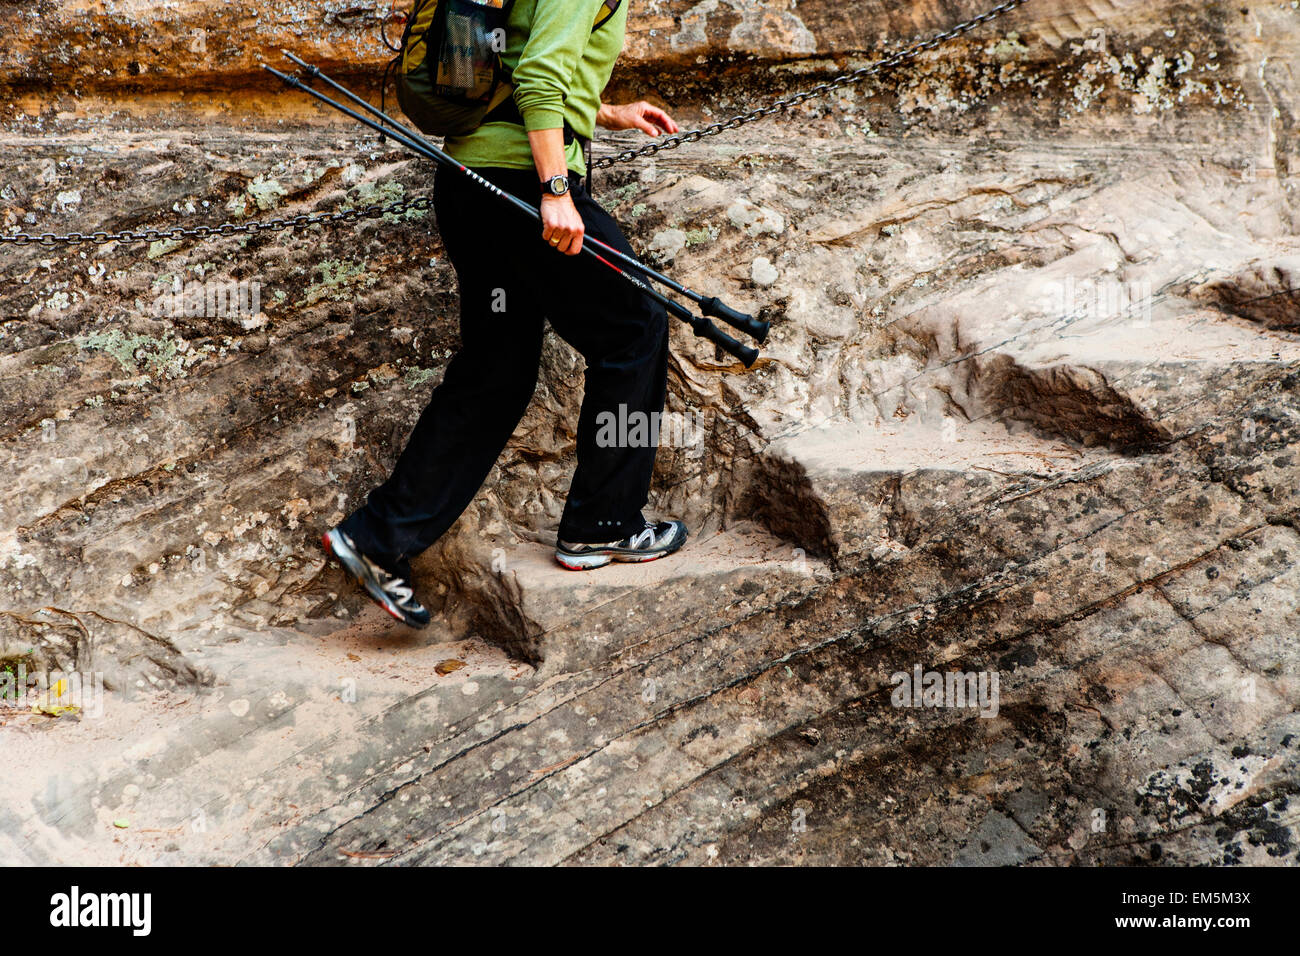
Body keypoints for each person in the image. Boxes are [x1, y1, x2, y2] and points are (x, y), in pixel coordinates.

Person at [323, 0, 688, 628]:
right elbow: (540, 76)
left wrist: (604, 112)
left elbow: (518, 62)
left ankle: (377, 538)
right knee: (634, 327)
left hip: (470, 185)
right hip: (522, 185)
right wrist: (555, 190)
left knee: (497, 369)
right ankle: (603, 524)